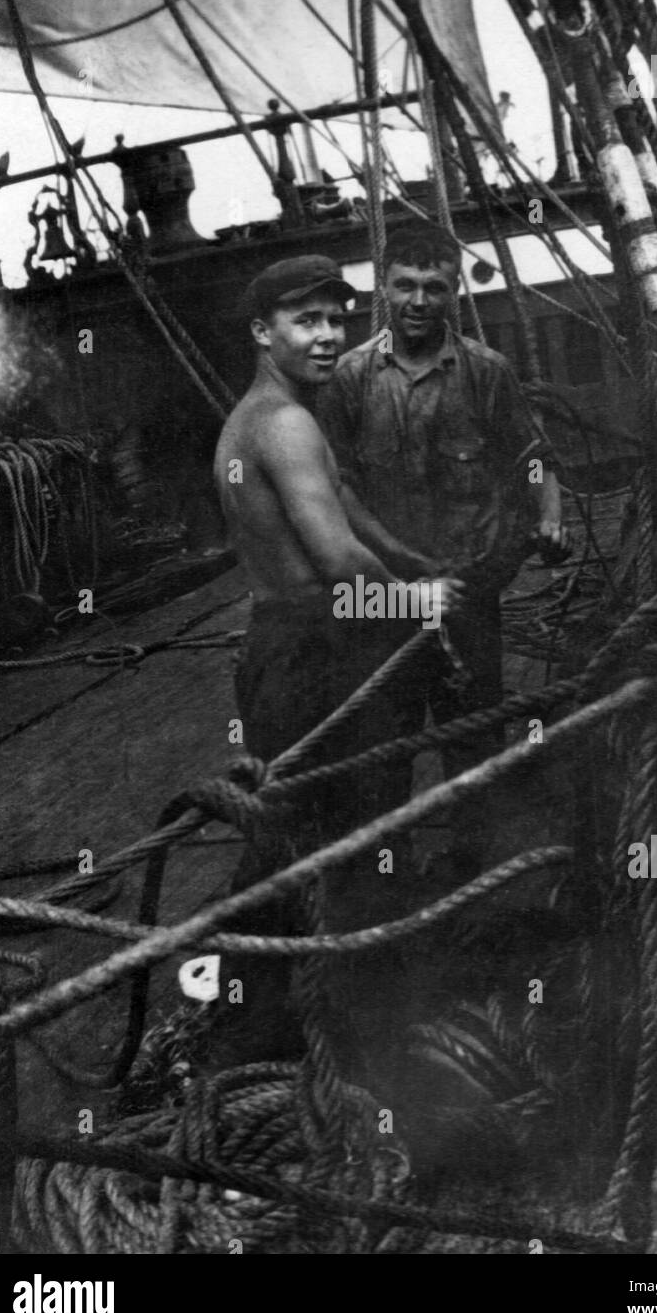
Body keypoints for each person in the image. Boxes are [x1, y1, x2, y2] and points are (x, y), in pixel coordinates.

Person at [210, 254, 463, 1062]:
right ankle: (361, 1044)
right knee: (351, 843)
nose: (327, 337)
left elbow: (347, 518)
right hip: (317, 655)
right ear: (263, 333)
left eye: (334, 318)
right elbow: (333, 559)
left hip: (286, 646)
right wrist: (415, 603)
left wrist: (404, 561)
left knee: (295, 839)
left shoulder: (266, 415)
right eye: (304, 322)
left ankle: (257, 1024)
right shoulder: (283, 424)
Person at [318, 221, 571, 882]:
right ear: (383, 285)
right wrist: (402, 561)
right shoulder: (348, 379)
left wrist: (548, 514)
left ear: (455, 289)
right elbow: (338, 489)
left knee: (473, 741)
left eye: (435, 286)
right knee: (383, 749)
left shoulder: (486, 373)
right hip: (386, 599)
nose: (418, 300)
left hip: (467, 597)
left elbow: (532, 459)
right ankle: (389, 883)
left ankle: (477, 876)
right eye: (405, 284)